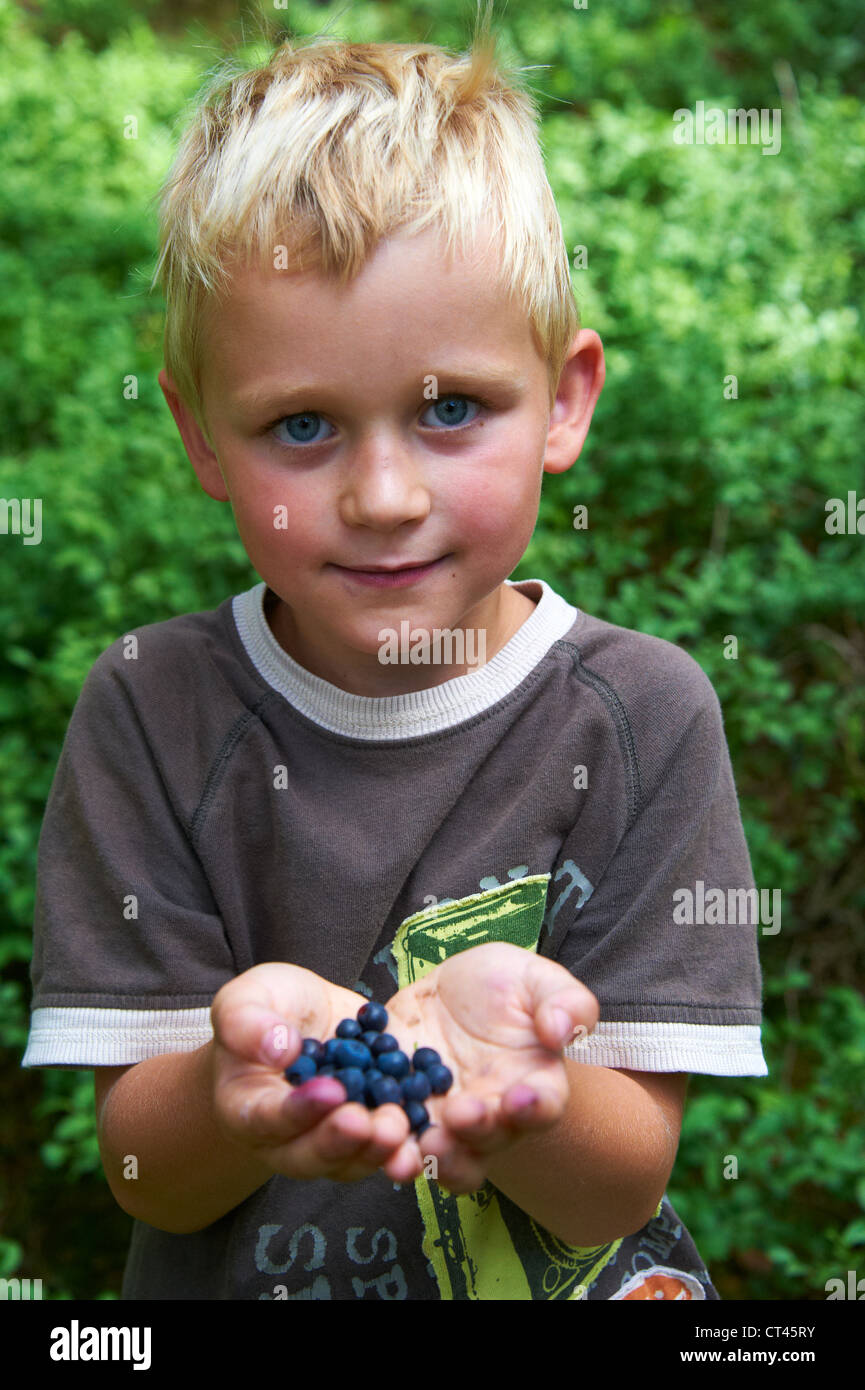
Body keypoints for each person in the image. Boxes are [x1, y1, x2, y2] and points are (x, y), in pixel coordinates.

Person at [22, 25, 768, 1301]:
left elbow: (624, 1180)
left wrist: (519, 1101)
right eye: (300, 425)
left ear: (566, 399)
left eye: (449, 409)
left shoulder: (640, 715)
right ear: (203, 438)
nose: (380, 494)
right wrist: (228, 1088)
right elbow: (145, 1172)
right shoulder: (152, 707)